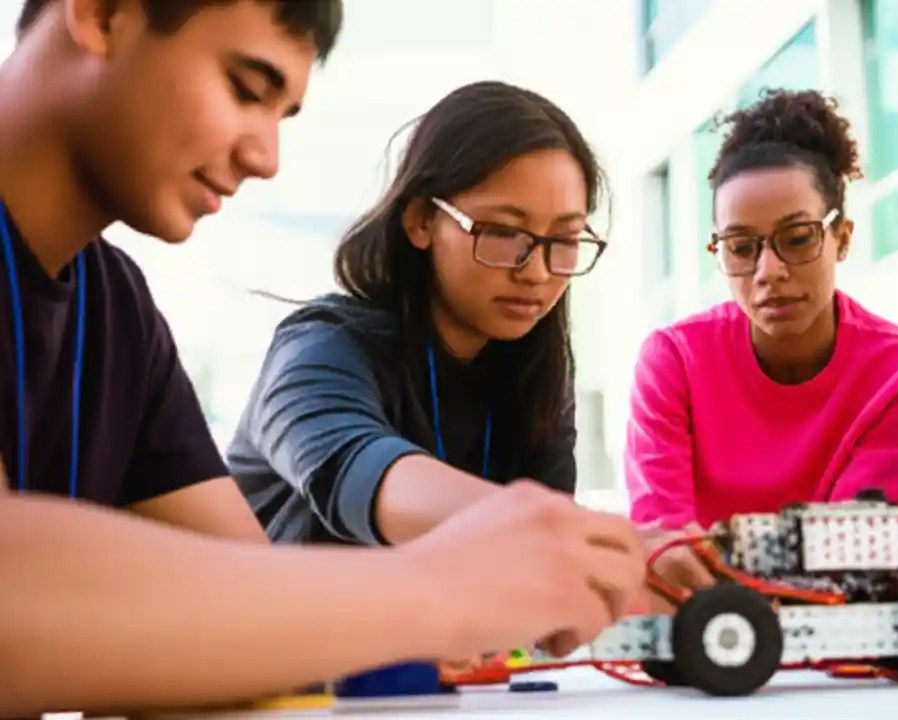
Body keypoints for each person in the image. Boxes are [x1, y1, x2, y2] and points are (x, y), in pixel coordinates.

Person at [0, 1, 645, 714]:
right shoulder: (323, 345)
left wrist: (597, 561)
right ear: (101, 14)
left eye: (564, 242)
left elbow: (244, 605)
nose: (265, 158)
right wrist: (447, 588)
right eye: (246, 88)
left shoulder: (117, 311)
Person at [225, 80, 602, 546]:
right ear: (421, 219)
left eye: (564, 240)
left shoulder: (533, 374)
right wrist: (582, 537)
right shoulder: (321, 347)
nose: (537, 272)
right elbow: (364, 477)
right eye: (503, 232)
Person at [624, 89, 898, 533]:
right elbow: (663, 540)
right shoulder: (674, 361)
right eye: (740, 247)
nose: (768, 272)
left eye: (797, 239)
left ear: (843, 238)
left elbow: (854, 548)